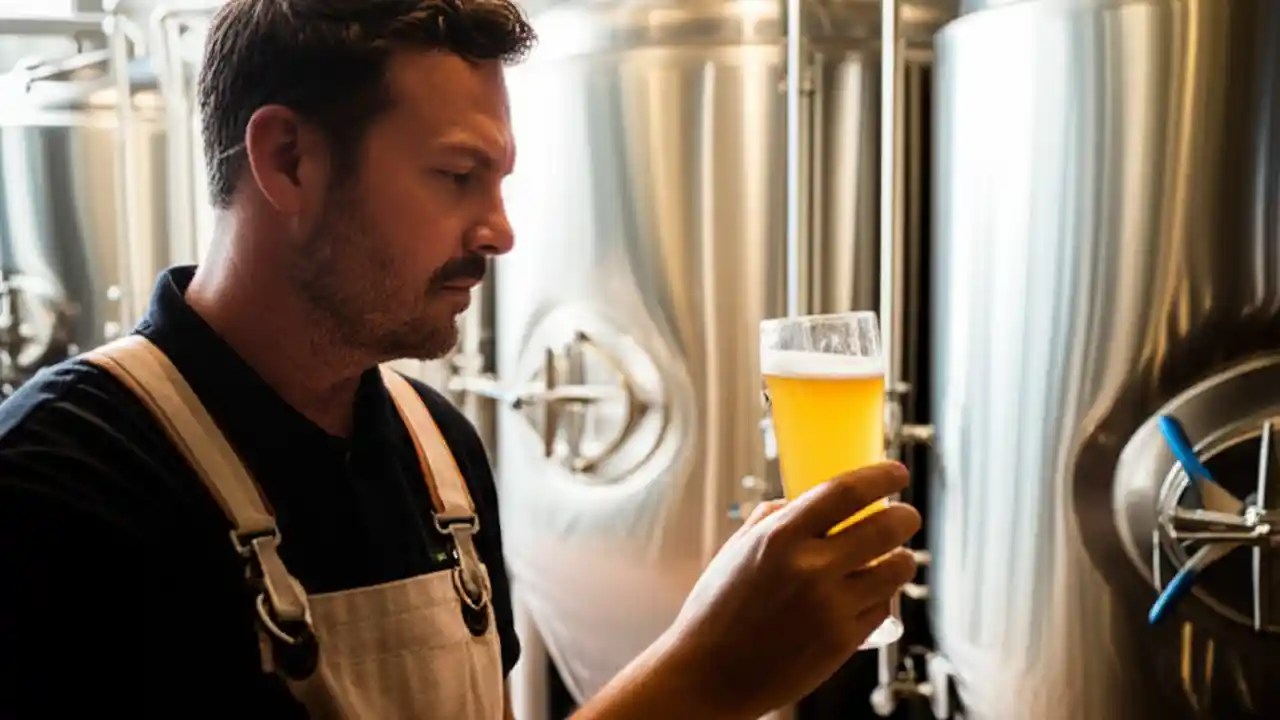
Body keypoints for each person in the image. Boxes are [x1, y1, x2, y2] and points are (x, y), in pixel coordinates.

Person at [0, 1, 920, 718]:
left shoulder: (435, 446)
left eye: (502, 180)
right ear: (287, 161)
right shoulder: (68, 478)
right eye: (455, 176)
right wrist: (705, 676)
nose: (501, 231)